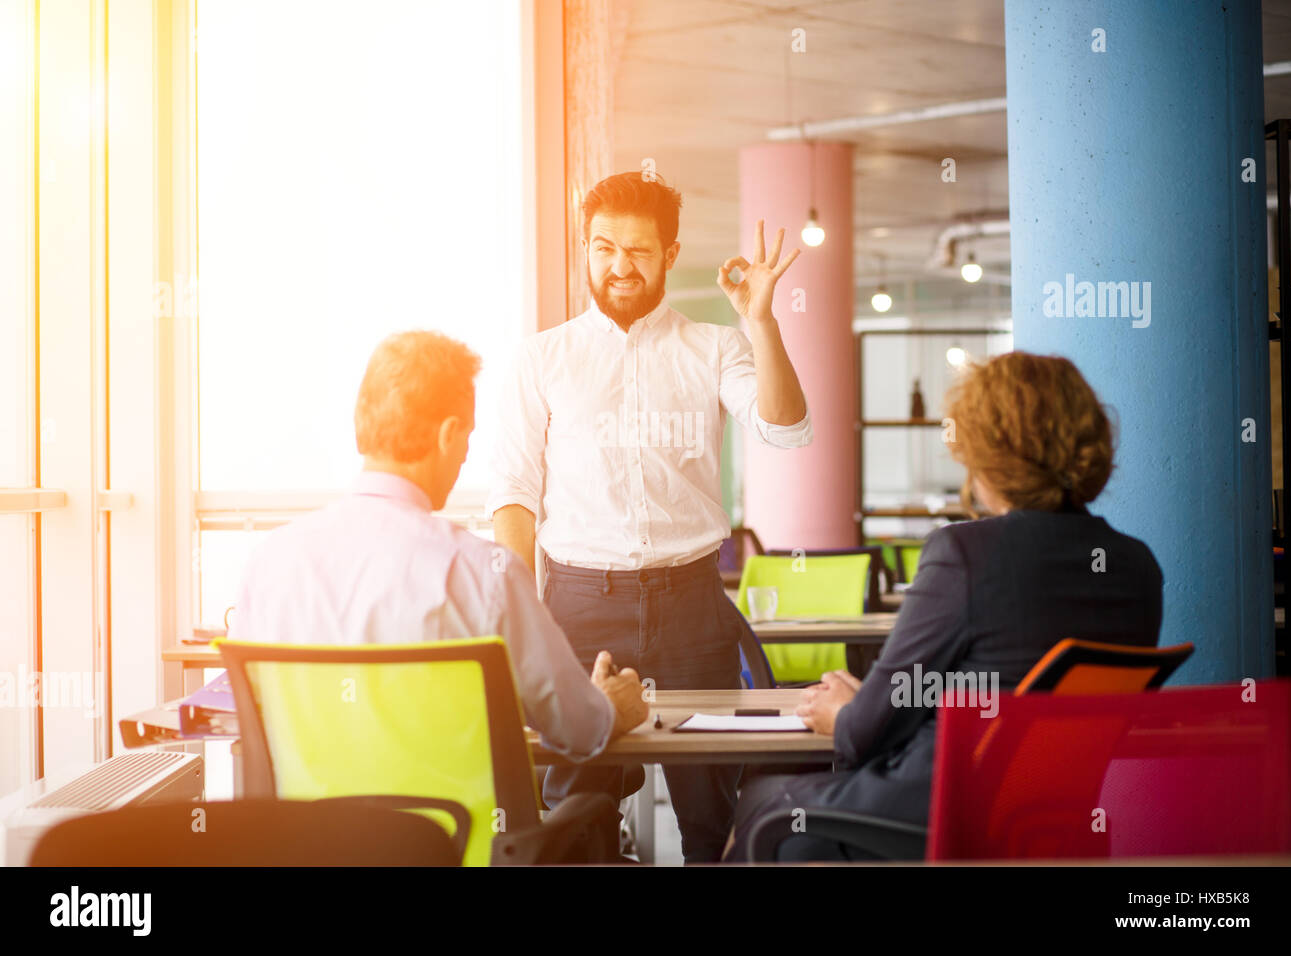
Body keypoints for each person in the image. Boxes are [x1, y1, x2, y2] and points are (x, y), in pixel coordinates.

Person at [725, 351, 1164, 861]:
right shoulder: (1138, 568)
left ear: (982, 451)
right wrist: (870, 701)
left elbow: (868, 733)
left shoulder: (966, 553)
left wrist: (850, 711)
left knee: (761, 794)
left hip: (936, 813)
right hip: (1050, 819)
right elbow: (1009, 684)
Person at [488, 171, 813, 862]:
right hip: (576, 604)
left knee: (708, 812)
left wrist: (760, 320)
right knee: (577, 807)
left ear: (670, 254)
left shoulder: (714, 347)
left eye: (638, 250)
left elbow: (786, 427)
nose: (619, 266)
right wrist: (521, 615)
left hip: (691, 603)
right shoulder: (542, 359)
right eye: (603, 247)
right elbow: (513, 490)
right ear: (585, 247)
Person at [227, 330, 648, 764]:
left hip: (300, 831)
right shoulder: (485, 573)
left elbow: (248, 719)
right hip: (452, 832)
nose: (466, 455)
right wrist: (613, 705)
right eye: (467, 436)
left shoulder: (268, 563)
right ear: (449, 434)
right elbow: (576, 727)